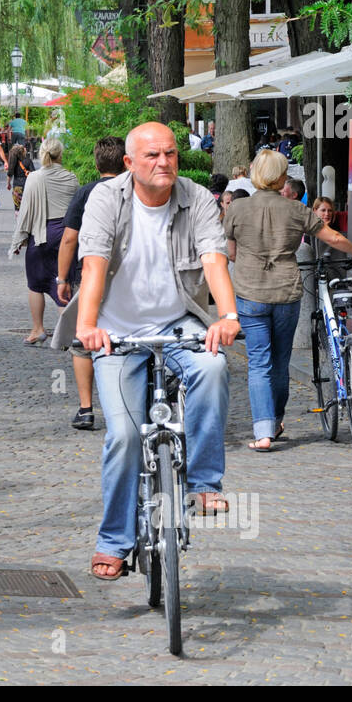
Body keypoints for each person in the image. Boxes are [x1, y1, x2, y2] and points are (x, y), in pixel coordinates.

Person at [53, 122, 241, 582]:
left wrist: (228, 316)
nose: (164, 163)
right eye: (153, 156)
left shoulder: (196, 198)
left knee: (214, 368)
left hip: (180, 323)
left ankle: (202, 485)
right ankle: (113, 541)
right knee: (123, 435)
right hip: (115, 332)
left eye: (171, 154)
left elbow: (214, 258)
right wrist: (87, 326)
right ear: (130, 163)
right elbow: (93, 261)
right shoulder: (105, 199)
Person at [225, 149, 352, 452]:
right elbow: (331, 237)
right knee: (280, 361)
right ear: (281, 177)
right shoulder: (295, 210)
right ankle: (278, 419)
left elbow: (230, 253)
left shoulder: (237, 209)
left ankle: (264, 431)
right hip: (286, 291)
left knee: (259, 363)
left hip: (250, 292)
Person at [57, 136, 126, 430]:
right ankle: (124, 406)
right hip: (127, 277)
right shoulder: (132, 192)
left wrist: (62, 278)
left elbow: (70, 237)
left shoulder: (85, 193)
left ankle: (86, 408)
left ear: (97, 163)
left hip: (90, 276)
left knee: (83, 341)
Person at [11, 137, 79, 345]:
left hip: (41, 235)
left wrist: (19, 238)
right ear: (61, 155)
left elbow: (26, 211)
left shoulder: (34, 178)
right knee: (63, 281)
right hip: (66, 235)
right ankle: (71, 332)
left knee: (36, 284)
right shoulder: (71, 178)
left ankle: (37, 329)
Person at [7, 142, 34, 211]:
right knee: (29, 207)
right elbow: (34, 173)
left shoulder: (13, 162)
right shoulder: (28, 161)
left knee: (18, 208)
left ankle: (20, 221)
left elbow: (9, 174)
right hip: (28, 186)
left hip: (17, 187)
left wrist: (8, 184)